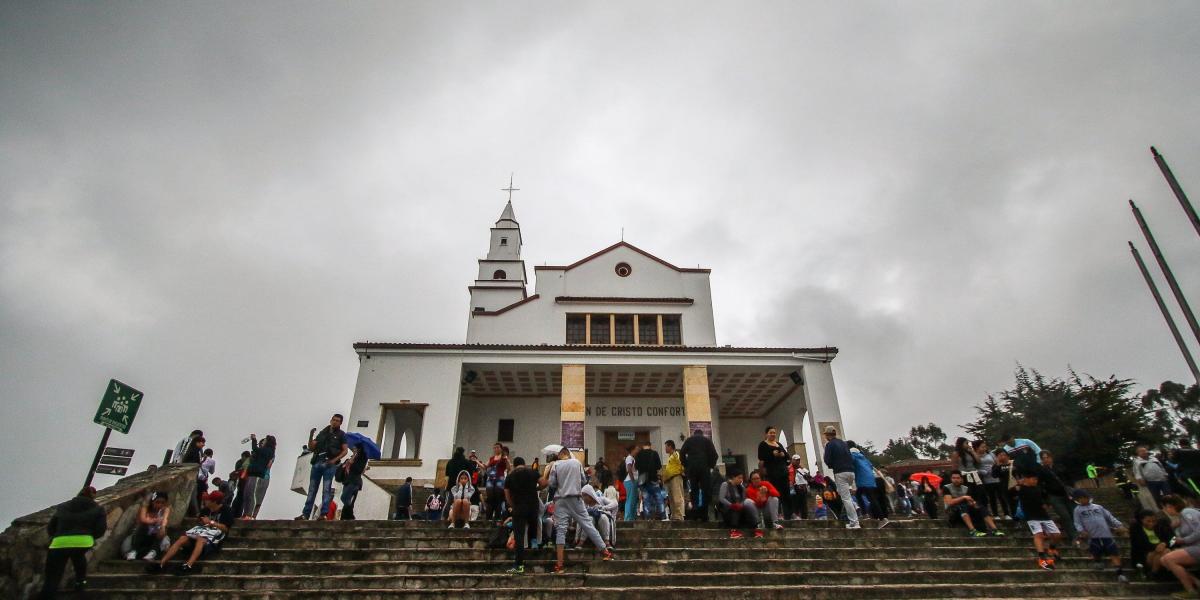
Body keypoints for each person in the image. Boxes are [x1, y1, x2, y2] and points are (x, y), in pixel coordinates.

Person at [541, 445, 614, 573]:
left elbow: (552, 484)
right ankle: (605, 551)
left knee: (561, 530)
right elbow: (583, 481)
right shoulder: (576, 463)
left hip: (560, 500)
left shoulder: (555, 465)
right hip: (575, 498)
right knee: (587, 524)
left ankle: (559, 565)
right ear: (568, 453)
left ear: (561, 453)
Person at [39, 486, 105, 598]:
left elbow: (51, 527)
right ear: (93, 496)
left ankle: (47, 594)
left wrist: (56, 535)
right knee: (78, 557)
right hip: (83, 541)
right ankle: (80, 582)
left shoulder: (63, 506)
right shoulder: (98, 509)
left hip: (59, 542)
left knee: (52, 576)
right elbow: (100, 529)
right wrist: (91, 536)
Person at [152, 490, 234, 575]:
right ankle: (161, 563)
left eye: (208, 500)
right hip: (202, 533)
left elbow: (226, 529)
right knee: (183, 538)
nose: (206, 501)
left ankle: (188, 565)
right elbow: (200, 523)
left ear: (215, 502)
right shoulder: (206, 510)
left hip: (214, 538)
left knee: (201, 539)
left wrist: (211, 522)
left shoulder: (226, 510)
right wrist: (202, 523)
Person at [1069, 488, 1127, 582]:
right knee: (1096, 551)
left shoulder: (1098, 507)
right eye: (1081, 498)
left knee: (1114, 553)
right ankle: (1097, 560)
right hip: (1092, 537)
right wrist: (1081, 531)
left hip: (1106, 535)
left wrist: (1119, 525)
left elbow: (1109, 517)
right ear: (1077, 499)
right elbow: (1077, 522)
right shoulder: (1077, 510)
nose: (1084, 499)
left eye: (1085, 497)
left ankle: (1120, 573)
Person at [298, 414, 348, 520]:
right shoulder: (323, 433)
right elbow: (312, 447)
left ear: (340, 423)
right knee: (312, 489)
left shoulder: (341, 435)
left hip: (330, 464)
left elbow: (345, 451)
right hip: (317, 462)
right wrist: (311, 436)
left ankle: (324, 514)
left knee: (326, 489)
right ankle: (305, 514)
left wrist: (334, 460)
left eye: (337, 421)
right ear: (330, 420)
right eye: (333, 420)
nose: (335, 422)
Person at [1016, 469, 1062, 570]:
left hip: (1043, 515)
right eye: (1033, 479)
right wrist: (1020, 483)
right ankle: (1041, 557)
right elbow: (1013, 489)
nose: (1035, 481)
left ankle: (1052, 548)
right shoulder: (1022, 489)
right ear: (1027, 479)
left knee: (1057, 534)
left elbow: (1044, 497)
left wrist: (1046, 504)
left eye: (1036, 479)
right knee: (1038, 535)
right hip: (1031, 516)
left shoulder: (1038, 488)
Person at [504, 456, 541, 574]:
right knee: (534, 523)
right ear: (524, 464)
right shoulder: (532, 472)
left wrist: (513, 505)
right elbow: (545, 482)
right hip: (533, 505)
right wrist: (537, 488)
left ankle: (519, 565)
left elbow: (507, 494)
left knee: (519, 536)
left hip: (519, 507)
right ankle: (535, 542)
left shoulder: (510, 476)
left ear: (514, 466)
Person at [1160, 494, 1200, 598]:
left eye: (1164, 508)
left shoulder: (1187, 512)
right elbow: (1174, 539)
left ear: (1170, 506)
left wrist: (1183, 540)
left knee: (1169, 559)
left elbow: (1198, 531)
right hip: (1193, 547)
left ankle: (1191, 591)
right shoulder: (1180, 518)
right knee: (1164, 560)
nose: (1164, 511)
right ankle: (1196, 582)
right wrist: (1172, 530)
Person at [942, 470, 1004, 538]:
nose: (956, 480)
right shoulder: (946, 487)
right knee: (962, 506)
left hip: (965, 511)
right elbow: (950, 502)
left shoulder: (965, 488)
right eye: (953, 478)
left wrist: (973, 503)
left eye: (958, 478)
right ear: (951, 479)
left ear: (961, 479)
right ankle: (973, 531)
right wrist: (963, 497)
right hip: (952, 512)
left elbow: (969, 501)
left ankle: (994, 529)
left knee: (980, 507)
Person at [822, 425, 860, 529]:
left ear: (827, 435)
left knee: (846, 498)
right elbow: (850, 457)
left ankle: (854, 522)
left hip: (840, 472)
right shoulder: (844, 443)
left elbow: (827, 459)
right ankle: (854, 509)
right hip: (851, 471)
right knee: (842, 492)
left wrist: (832, 465)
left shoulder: (829, 445)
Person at [679, 428, 719, 521]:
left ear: (694, 433)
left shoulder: (689, 440)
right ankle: (704, 514)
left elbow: (682, 453)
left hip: (692, 468)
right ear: (702, 434)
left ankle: (695, 512)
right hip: (704, 468)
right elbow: (714, 455)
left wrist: (687, 465)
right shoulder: (707, 440)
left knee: (694, 489)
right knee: (705, 490)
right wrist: (710, 465)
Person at [1039, 450, 1078, 540]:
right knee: (1064, 515)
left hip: (1067, 494)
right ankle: (1074, 536)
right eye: (1043, 458)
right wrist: (1045, 500)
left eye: (1047, 457)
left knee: (1073, 514)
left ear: (1051, 457)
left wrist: (1071, 489)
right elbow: (1041, 486)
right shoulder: (1041, 471)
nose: (1046, 460)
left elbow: (1070, 478)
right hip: (1054, 496)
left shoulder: (1060, 467)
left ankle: (1080, 533)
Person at [848, 441, 886, 527]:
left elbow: (850, 465)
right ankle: (868, 515)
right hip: (870, 479)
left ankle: (881, 518)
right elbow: (870, 466)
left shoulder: (852, 455)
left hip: (862, 480)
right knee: (862, 496)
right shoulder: (862, 456)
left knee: (869, 498)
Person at [124, 492, 170, 561]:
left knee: (162, 530)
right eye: (157, 502)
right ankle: (134, 551)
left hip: (155, 536)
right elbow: (143, 519)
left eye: (162, 503)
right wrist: (155, 520)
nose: (160, 505)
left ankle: (152, 552)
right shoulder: (145, 508)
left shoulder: (165, 509)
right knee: (144, 525)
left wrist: (162, 527)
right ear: (152, 502)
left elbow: (165, 520)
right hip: (141, 535)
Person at [1130, 508, 1173, 580]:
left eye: (1154, 521)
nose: (1151, 523)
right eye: (1148, 521)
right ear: (1141, 520)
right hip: (1145, 555)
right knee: (1165, 551)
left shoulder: (1161, 526)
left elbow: (1174, 539)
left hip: (1163, 552)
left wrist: (1165, 544)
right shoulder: (1136, 528)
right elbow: (1137, 545)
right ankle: (1154, 573)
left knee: (1166, 551)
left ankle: (1153, 572)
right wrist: (1155, 547)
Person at [758, 427, 791, 518]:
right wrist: (772, 454)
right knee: (775, 494)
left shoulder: (779, 444)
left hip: (783, 472)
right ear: (766, 434)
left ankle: (788, 515)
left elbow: (787, 456)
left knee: (786, 494)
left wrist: (783, 455)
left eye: (774, 433)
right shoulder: (763, 444)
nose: (773, 434)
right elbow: (761, 457)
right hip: (772, 473)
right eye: (771, 432)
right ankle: (777, 514)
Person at [717, 467, 757, 538]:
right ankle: (733, 530)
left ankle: (755, 528)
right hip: (728, 510)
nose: (741, 480)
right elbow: (721, 498)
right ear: (733, 477)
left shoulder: (741, 488)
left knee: (748, 508)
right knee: (735, 509)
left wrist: (740, 505)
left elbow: (744, 499)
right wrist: (731, 505)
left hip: (739, 509)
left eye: (742, 478)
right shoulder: (725, 484)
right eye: (739, 478)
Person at [241, 434, 275, 519]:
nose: (263, 442)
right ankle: (246, 514)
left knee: (252, 494)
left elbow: (255, 449)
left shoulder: (268, 451)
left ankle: (250, 515)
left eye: (265, 441)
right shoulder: (265, 451)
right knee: (247, 494)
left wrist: (254, 440)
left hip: (257, 474)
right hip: (253, 473)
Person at [977, 441, 1009, 519]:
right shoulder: (975, 456)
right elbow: (976, 467)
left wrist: (997, 466)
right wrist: (982, 472)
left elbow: (996, 461)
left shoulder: (990, 454)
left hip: (996, 477)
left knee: (1001, 496)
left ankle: (1006, 514)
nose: (984, 448)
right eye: (982, 446)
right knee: (992, 498)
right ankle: (995, 514)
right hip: (986, 479)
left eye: (985, 446)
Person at [635, 440, 663, 520]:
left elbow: (636, 467)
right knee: (658, 497)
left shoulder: (639, 454)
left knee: (646, 498)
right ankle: (662, 515)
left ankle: (648, 517)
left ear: (643, 446)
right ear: (650, 445)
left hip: (642, 479)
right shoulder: (654, 453)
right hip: (653, 478)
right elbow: (659, 466)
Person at [340, 444, 370, 520]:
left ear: (359, 449)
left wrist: (351, 462)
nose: (353, 449)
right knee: (348, 500)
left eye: (354, 448)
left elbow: (359, 470)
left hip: (354, 481)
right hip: (347, 481)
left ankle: (350, 515)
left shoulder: (362, 458)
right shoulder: (353, 458)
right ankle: (346, 517)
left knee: (344, 498)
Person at [484, 443, 509, 521]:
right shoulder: (491, 458)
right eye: (494, 448)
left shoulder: (504, 457)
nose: (496, 449)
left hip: (500, 478)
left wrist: (506, 460)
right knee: (490, 497)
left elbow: (508, 468)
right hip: (491, 479)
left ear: (501, 448)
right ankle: (489, 516)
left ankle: (497, 516)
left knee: (498, 497)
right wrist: (478, 462)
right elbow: (486, 466)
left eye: (497, 447)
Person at [662, 440, 686, 522]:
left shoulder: (676, 454)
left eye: (666, 446)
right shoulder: (670, 457)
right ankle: (674, 515)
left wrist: (682, 471)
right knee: (671, 498)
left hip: (676, 477)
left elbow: (681, 463)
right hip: (670, 479)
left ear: (670, 446)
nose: (665, 448)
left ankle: (680, 515)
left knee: (677, 497)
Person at [788, 455, 810, 520]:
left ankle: (804, 517)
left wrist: (804, 472)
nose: (798, 461)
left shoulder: (802, 468)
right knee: (794, 503)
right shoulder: (788, 468)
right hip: (792, 488)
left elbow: (807, 477)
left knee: (803, 504)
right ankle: (795, 516)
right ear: (792, 460)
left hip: (801, 488)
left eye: (799, 460)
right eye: (796, 460)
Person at [621, 445, 639, 521]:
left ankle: (632, 517)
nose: (638, 450)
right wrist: (633, 480)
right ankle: (628, 518)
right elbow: (629, 469)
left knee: (634, 500)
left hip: (633, 480)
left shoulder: (633, 458)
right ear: (633, 450)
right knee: (630, 499)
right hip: (630, 481)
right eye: (637, 449)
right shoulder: (629, 458)